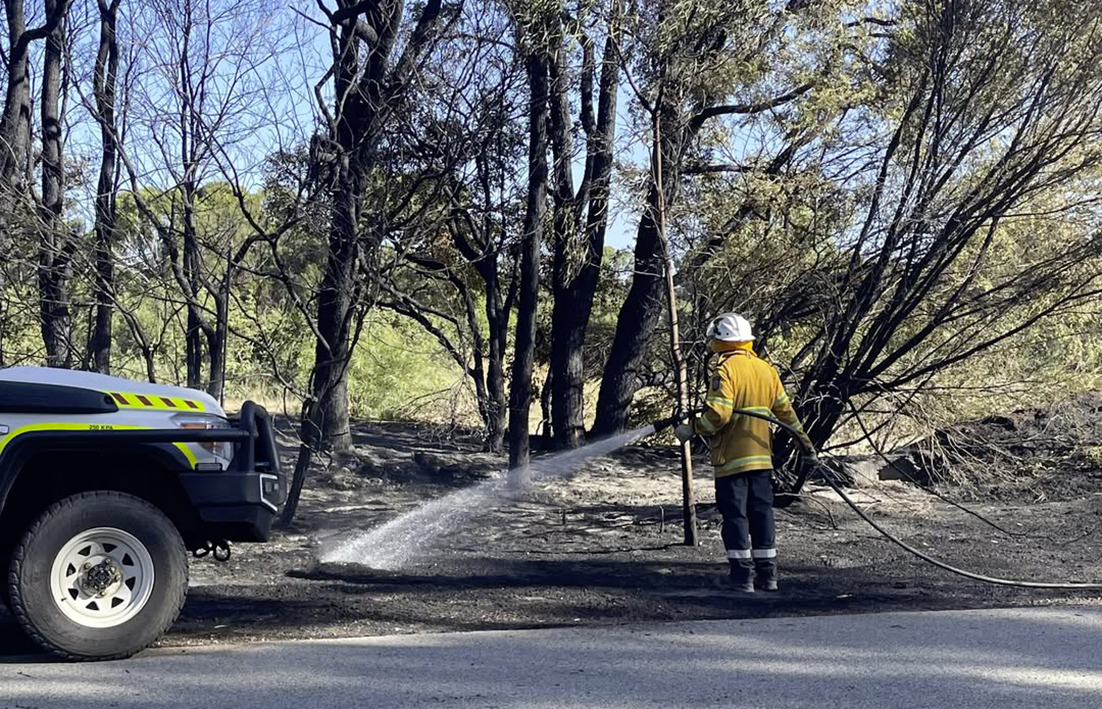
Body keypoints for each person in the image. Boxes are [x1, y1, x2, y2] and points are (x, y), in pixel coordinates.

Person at [675, 313, 817, 593]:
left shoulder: (725, 370)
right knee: (762, 513)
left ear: (721, 341)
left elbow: (718, 415)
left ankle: (742, 578)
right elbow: (786, 414)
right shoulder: (766, 370)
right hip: (762, 459)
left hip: (731, 461)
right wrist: (806, 445)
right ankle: (768, 576)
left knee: (736, 517)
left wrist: (691, 429)